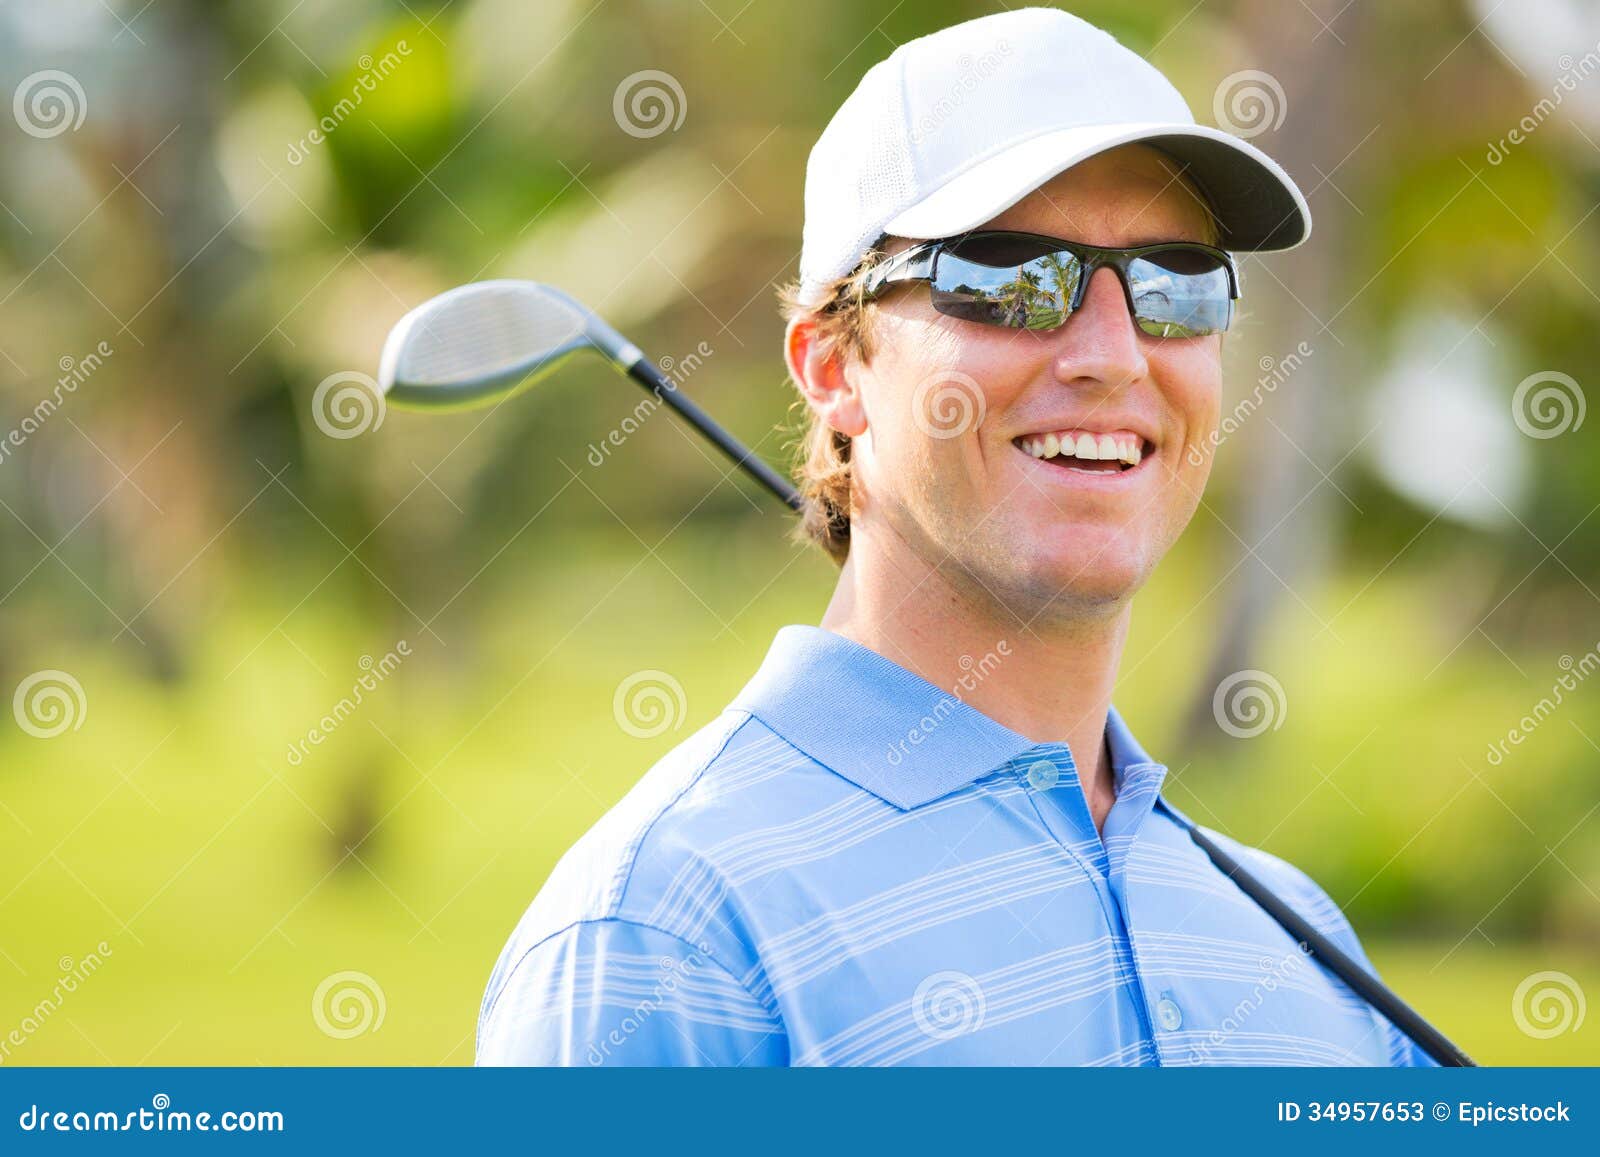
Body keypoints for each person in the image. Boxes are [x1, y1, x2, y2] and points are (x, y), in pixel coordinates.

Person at [477, 6, 1435, 1067]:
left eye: (1174, 282)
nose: (1115, 355)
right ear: (833, 367)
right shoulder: (664, 938)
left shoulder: (1311, 957)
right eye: (1009, 277)